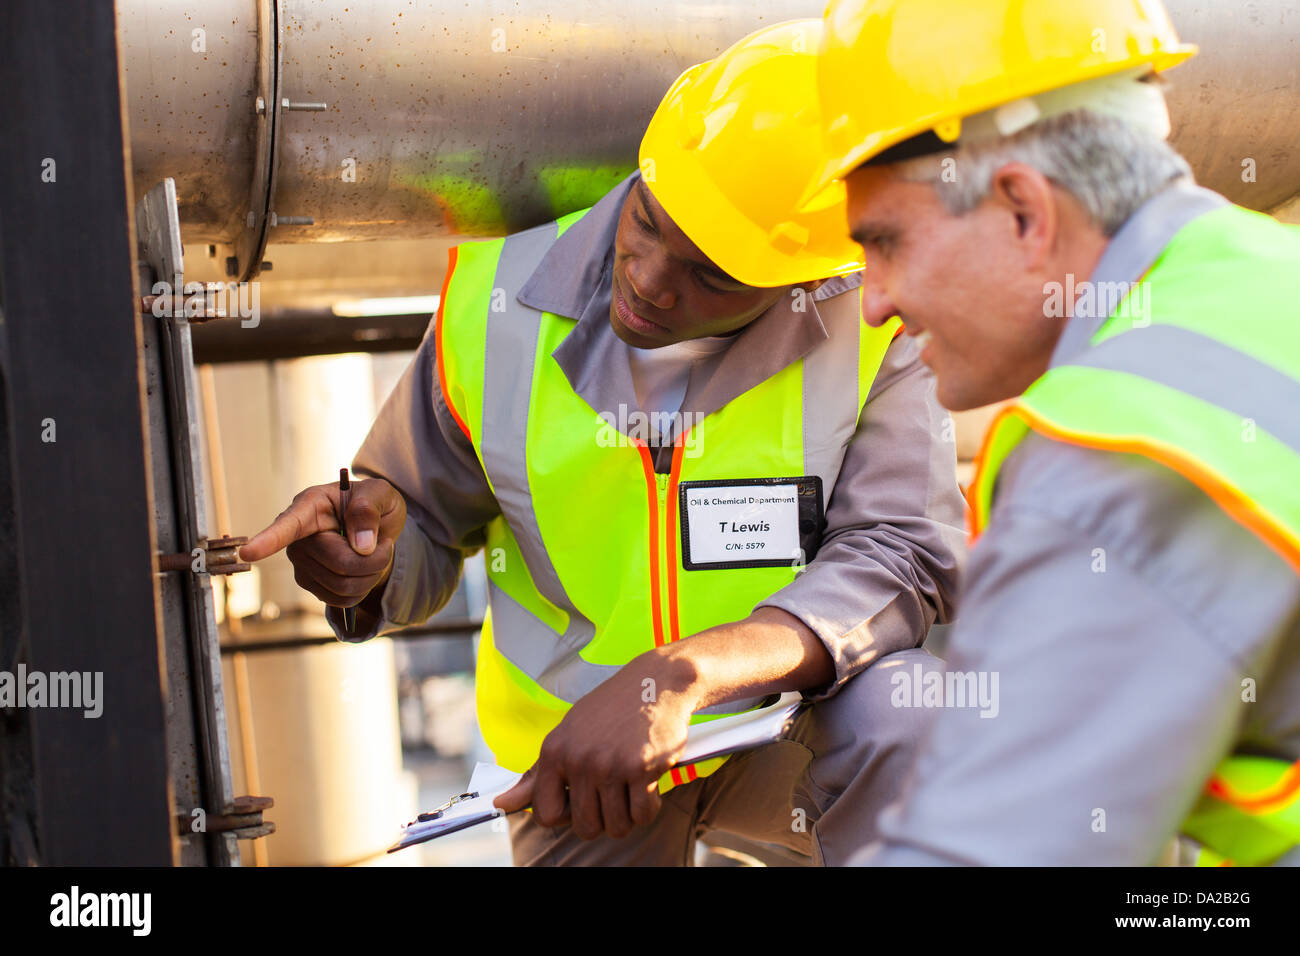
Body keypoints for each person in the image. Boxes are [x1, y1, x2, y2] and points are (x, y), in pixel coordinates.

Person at [239, 19, 965, 866]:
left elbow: (901, 553)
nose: (648, 281)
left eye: (711, 275)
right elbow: (422, 525)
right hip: (585, 767)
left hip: (784, 728)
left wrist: (687, 675)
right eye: (648, 221)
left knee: (917, 719)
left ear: (804, 279)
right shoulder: (496, 305)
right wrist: (366, 565)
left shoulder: (875, 324)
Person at [798, 0, 1300, 865]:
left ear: (1025, 212)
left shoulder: (1120, 449)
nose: (873, 302)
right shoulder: (1264, 279)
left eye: (884, 243)